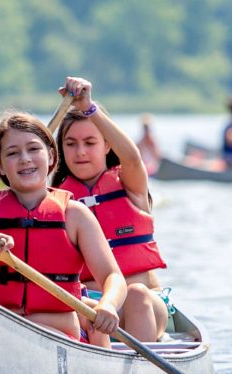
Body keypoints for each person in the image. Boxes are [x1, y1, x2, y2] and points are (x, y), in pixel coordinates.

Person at [0, 111, 127, 343]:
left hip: (59, 335)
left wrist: (108, 304)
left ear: (51, 156)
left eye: (33, 149)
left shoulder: (75, 215)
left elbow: (113, 276)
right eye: (12, 153)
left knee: (95, 330)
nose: (25, 159)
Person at [52, 76, 169, 346]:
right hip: (90, 306)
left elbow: (132, 157)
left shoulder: (130, 185)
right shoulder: (58, 198)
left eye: (90, 142)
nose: (80, 151)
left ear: (107, 146)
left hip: (146, 305)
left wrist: (89, 108)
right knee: (72, 307)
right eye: (70, 144)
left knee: (137, 294)